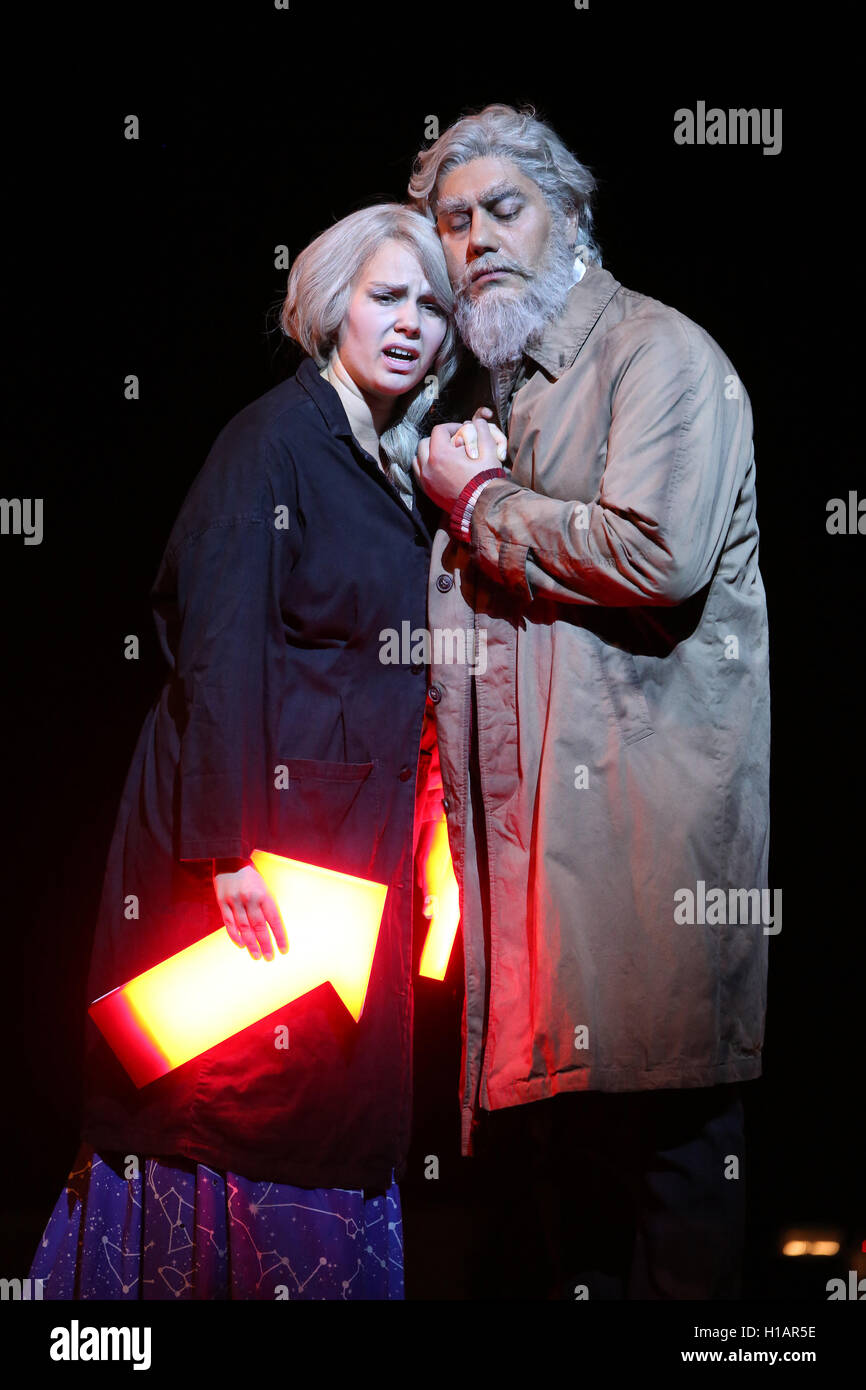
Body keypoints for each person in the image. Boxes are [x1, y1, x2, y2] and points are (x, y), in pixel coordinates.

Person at [29, 203, 465, 1301]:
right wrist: (224, 851)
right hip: (252, 867)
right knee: (223, 1120)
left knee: (324, 1129)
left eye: (429, 305)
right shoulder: (272, 440)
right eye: (384, 297)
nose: (408, 323)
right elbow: (216, 650)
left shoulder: (396, 465)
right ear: (329, 309)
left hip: (347, 866)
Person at [408, 105, 771, 1299]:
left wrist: (479, 505)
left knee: (670, 1175)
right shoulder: (507, 390)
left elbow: (655, 556)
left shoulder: (654, 352)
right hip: (547, 875)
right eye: (452, 222)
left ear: (571, 219)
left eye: (502, 210)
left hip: (641, 855)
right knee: (582, 1199)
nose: (475, 242)